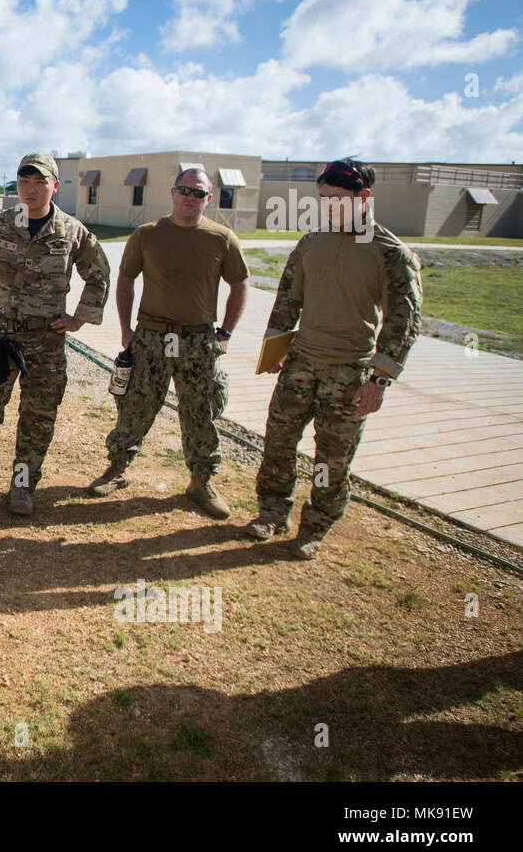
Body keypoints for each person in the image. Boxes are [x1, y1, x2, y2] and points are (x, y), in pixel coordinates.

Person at [245, 157, 422, 559]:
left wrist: (378, 380)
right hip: (301, 364)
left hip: (350, 373)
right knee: (278, 443)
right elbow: (289, 298)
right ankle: (271, 513)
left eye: (338, 199)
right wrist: (276, 349)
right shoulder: (311, 242)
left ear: (365, 197)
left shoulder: (390, 253)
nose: (328, 207)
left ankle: (315, 527)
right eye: (323, 199)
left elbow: (403, 321)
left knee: (332, 459)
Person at [0, 152, 111, 515]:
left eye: (40, 182)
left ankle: (22, 487)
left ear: (55, 186)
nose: (31, 189)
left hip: (46, 341)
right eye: (24, 181)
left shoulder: (72, 231)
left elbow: (99, 274)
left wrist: (79, 318)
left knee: (37, 416)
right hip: (2, 338)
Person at [88, 168, 249, 519]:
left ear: (209, 198)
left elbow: (240, 285)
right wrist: (127, 331)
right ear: (172, 193)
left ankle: (201, 482)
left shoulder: (222, 238)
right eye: (184, 190)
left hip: (198, 341)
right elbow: (126, 280)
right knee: (136, 407)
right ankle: (116, 470)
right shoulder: (146, 235)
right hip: (151, 337)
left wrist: (225, 333)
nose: (190, 197)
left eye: (199, 193)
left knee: (200, 413)